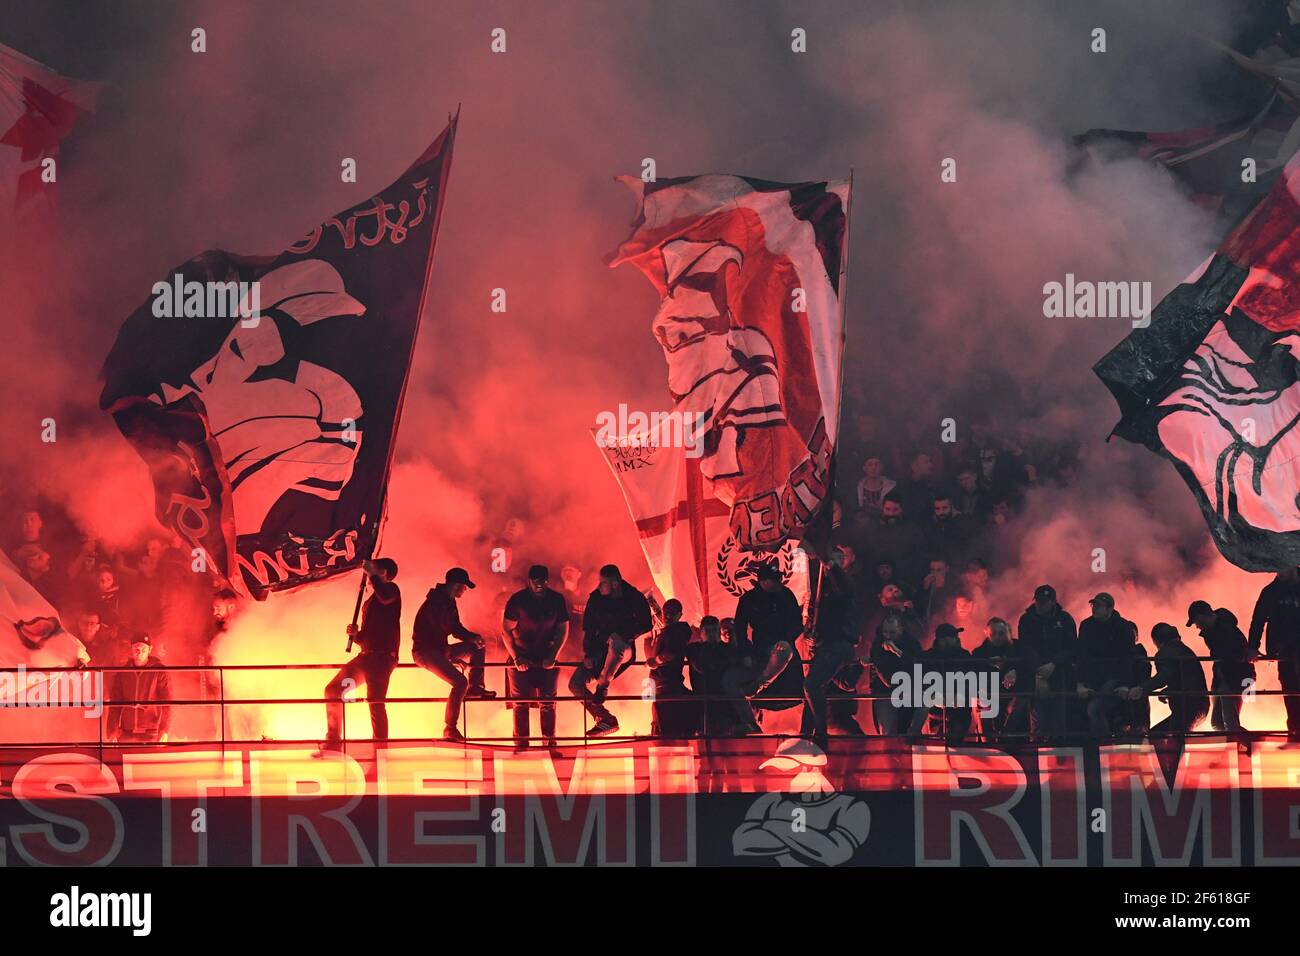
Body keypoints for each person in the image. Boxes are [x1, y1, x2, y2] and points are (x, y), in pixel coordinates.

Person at [318, 558, 400, 754]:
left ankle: (380, 749)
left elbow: (386, 597)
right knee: (333, 690)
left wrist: (371, 573)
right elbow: (368, 636)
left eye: (376, 570)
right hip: (367, 656)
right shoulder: (374, 599)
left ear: (385, 573)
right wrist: (357, 636)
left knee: (375, 702)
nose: (371, 574)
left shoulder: (391, 590)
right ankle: (334, 739)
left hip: (381, 658)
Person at [412, 567, 497, 742]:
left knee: (478, 648)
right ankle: (450, 728)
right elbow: (452, 629)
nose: (465, 590)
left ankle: (475, 687)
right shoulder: (439, 602)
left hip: (439, 650)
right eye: (465, 587)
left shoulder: (446, 601)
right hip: (426, 652)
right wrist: (471, 639)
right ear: (458, 585)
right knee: (459, 682)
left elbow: (454, 628)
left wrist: (473, 639)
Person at [570, 564, 652, 737]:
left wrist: (624, 634)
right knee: (575, 684)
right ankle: (605, 719)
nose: (599, 586)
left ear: (615, 584)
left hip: (624, 649)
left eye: (603, 583)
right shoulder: (596, 599)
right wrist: (588, 654)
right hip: (599, 651)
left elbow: (646, 624)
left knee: (616, 641)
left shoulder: (635, 597)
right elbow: (589, 629)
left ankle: (603, 686)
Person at [802, 549, 866, 745]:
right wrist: (810, 635)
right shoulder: (820, 590)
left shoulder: (847, 585)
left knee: (812, 685)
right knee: (813, 691)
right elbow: (812, 620)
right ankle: (807, 736)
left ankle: (821, 734)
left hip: (839, 645)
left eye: (837, 561)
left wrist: (832, 567)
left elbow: (843, 586)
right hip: (823, 648)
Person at [502, 565, 568, 751]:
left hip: (546, 658)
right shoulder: (518, 601)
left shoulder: (556, 600)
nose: (540, 584)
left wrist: (553, 656)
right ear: (529, 581)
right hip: (522, 657)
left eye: (543, 580)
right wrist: (516, 658)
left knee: (548, 703)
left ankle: (549, 745)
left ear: (547, 580)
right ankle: (521, 746)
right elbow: (505, 630)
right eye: (536, 580)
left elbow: (563, 629)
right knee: (520, 703)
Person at [731, 562, 806, 719]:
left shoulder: (786, 595)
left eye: (779, 578)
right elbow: (739, 629)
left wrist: (786, 640)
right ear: (763, 581)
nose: (779, 582)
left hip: (786, 648)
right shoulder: (748, 599)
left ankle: (759, 684)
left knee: (793, 689)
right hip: (761, 650)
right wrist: (745, 653)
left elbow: (796, 623)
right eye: (774, 579)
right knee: (759, 698)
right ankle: (758, 692)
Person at [1076, 592, 1141, 739]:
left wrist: (1124, 683)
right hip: (1094, 677)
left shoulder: (1123, 627)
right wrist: (1080, 682)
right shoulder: (1087, 626)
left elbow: (1126, 657)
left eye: (1098, 606)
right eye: (1093, 605)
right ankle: (1100, 746)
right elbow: (1082, 655)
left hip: (1114, 677)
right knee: (1090, 709)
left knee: (1095, 709)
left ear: (1110, 608)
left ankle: (1101, 745)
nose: (1094, 608)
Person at [1017, 584, 1077, 740]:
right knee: (1038, 718)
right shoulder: (1026, 620)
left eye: (1043, 602)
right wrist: (1039, 673)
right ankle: (1037, 750)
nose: (1039, 605)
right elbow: (1025, 648)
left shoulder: (1065, 619)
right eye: (1037, 601)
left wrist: (1054, 664)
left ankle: (1059, 755)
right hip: (1036, 675)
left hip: (1060, 674)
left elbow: (1071, 647)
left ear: (1052, 602)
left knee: (1059, 719)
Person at [1186, 600, 1254, 735]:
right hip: (1227, 677)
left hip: (1233, 677)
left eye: (1196, 622)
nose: (1197, 627)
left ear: (1201, 617)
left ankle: (1246, 744)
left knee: (1227, 722)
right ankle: (1246, 742)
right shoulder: (1221, 628)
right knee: (1219, 723)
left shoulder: (1223, 630)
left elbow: (1236, 654)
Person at [1250, 567, 1300, 739]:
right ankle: (1295, 732)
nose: (1279, 572)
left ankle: (1295, 731)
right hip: (1284, 650)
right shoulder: (1270, 592)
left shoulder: (1271, 591)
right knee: (1290, 691)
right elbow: (1257, 620)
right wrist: (1252, 647)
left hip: (1284, 649)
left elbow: (1258, 621)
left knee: (1291, 690)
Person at [1136, 623, 1210, 737]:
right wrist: (1168, 691)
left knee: (1164, 739)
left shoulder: (1165, 653)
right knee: (1171, 739)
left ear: (1157, 640)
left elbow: (1164, 676)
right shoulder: (1185, 650)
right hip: (1200, 705)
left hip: (1187, 707)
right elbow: (1184, 678)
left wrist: (1141, 688)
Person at [972, 616, 1034, 744]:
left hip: (1014, 694)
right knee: (979, 701)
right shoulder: (979, 653)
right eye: (993, 634)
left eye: (1001, 633)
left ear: (1008, 632)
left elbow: (1032, 664)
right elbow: (973, 674)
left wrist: (1016, 671)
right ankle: (987, 743)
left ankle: (1006, 737)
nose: (997, 637)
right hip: (989, 695)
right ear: (987, 634)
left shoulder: (1020, 649)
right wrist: (988, 665)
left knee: (1022, 699)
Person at [910, 623, 975, 742]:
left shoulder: (965, 656)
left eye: (953, 637)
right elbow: (920, 678)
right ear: (941, 639)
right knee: (937, 742)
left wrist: (960, 695)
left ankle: (914, 735)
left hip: (959, 708)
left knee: (955, 737)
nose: (953, 639)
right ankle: (913, 735)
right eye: (949, 637)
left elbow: (972, 680)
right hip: (936, 709)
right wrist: (935, 695)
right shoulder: (927, 657)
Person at [105, 632, 172, 745]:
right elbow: (115, 704)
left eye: (144, 649)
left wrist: (164, 729)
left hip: (151, 733)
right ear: (131, 649)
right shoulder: (123, 672)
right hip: (126, 732)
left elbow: (168, 703)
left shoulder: (159, 671)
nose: (140, 652)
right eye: (136, 649)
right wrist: (112, 731)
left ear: (150, 649)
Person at [647, 598, 696, 738]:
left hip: (666, 684)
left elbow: (670, 653)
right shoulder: (669, 631)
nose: (667, 616)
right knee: (657, 713)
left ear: (680, 615)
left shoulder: (675, 632)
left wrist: (655, 661)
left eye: (672, 613)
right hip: (660, 683)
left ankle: (662, 738)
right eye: (666, 612)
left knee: (662, 719)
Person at [868, 612, 922, 736]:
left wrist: (897, 652)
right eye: (885, 632)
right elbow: (885, 676)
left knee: (906, 732)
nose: (888, 636)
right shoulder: (877, 645)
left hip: (907, 693)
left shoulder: (912, 644)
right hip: (884, 694)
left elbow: (916, 664)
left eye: (892, 633)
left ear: (901, 630)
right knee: (888, 734)